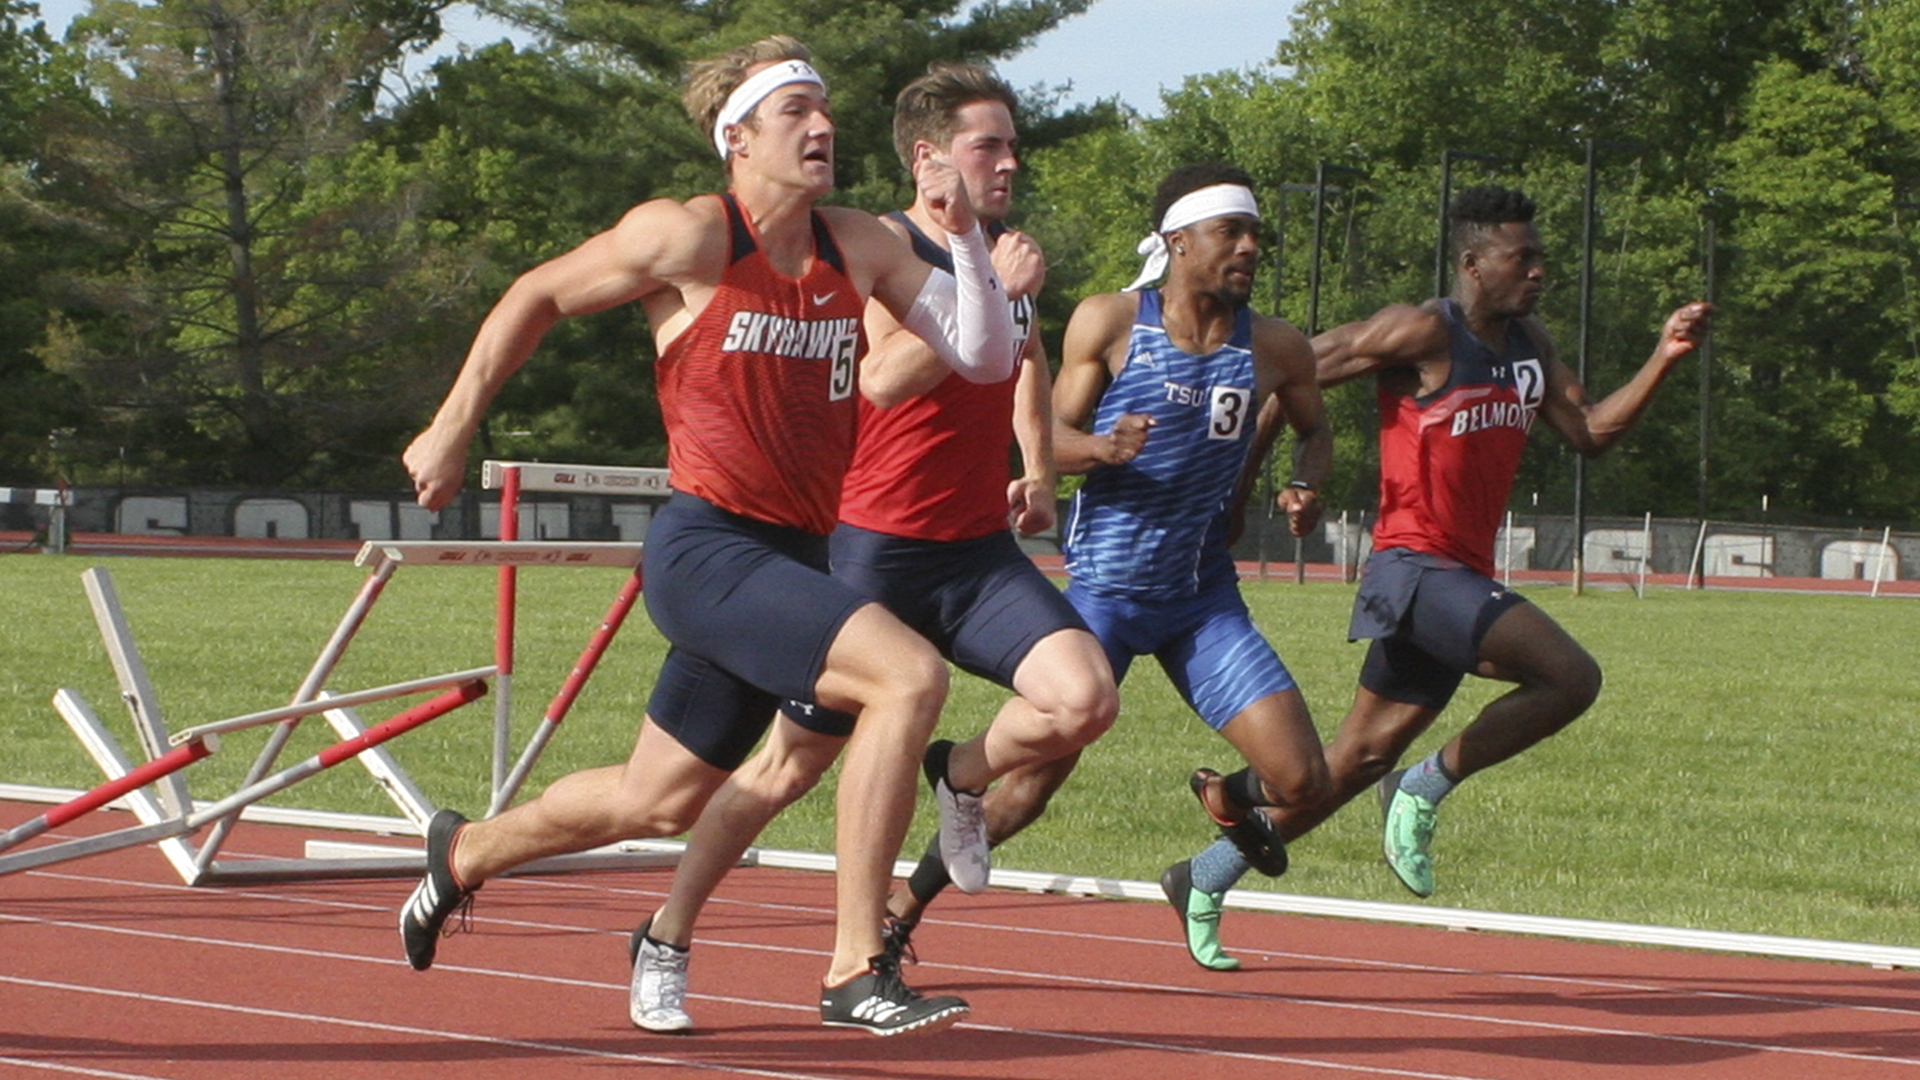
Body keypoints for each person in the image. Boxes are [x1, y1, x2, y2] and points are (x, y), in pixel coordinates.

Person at [394, 35, 1020, 1037]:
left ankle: (463, 853)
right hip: (705, 548)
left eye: (828, 111)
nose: (823, 127)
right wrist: (454, 423)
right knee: (906, 678)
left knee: (660, 800)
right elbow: (538, 293)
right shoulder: (688, 236)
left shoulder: (857, 243)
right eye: (796, 113)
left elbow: (983, 360)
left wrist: (970, 241)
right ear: (739, 137)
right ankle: (857, 965)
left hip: (794, 558)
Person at [624, 61, 1119, 1035]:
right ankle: (667, 934)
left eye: (1014, 145)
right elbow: (885, 379)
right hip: (863, 555)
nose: (1011, 162)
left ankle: (962, 774)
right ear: (930, 159)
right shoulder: (870, 247)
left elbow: (1022, 359)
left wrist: (1036, 465)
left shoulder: (999, 254)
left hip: (971, 553)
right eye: (989, 146)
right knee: (782, 770)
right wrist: (983, 288)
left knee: (1083, 699)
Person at [883, 162, 1335, 973]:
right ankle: (903, 906)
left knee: (1302, 779)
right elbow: (1036, 441)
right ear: (1177, 242)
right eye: (1230, 232)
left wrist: (1305, 482)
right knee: (1028, 789)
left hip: (1202, 603)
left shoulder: (1276, 346)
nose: (1248, 249)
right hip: (1103, 597)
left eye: (1255, 235)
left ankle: (1225, 799)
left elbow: (1315, 428)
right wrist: (1099, 448)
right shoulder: (1113, 322)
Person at [1246, 185, 1710, 916]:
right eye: (1519, 258)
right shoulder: (1420, 330)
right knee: (1571, 677)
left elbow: (1590, 433)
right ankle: (1423, 785)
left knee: (1358, 757)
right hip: (1412, 567)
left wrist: (1665, 355)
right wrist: (1277, 475)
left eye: (1540, 258)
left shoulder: (1532, 346)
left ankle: (1203, 875)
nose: (1537, 271)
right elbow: (1287, 365)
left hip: (1459, 575)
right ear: (1473, 262)